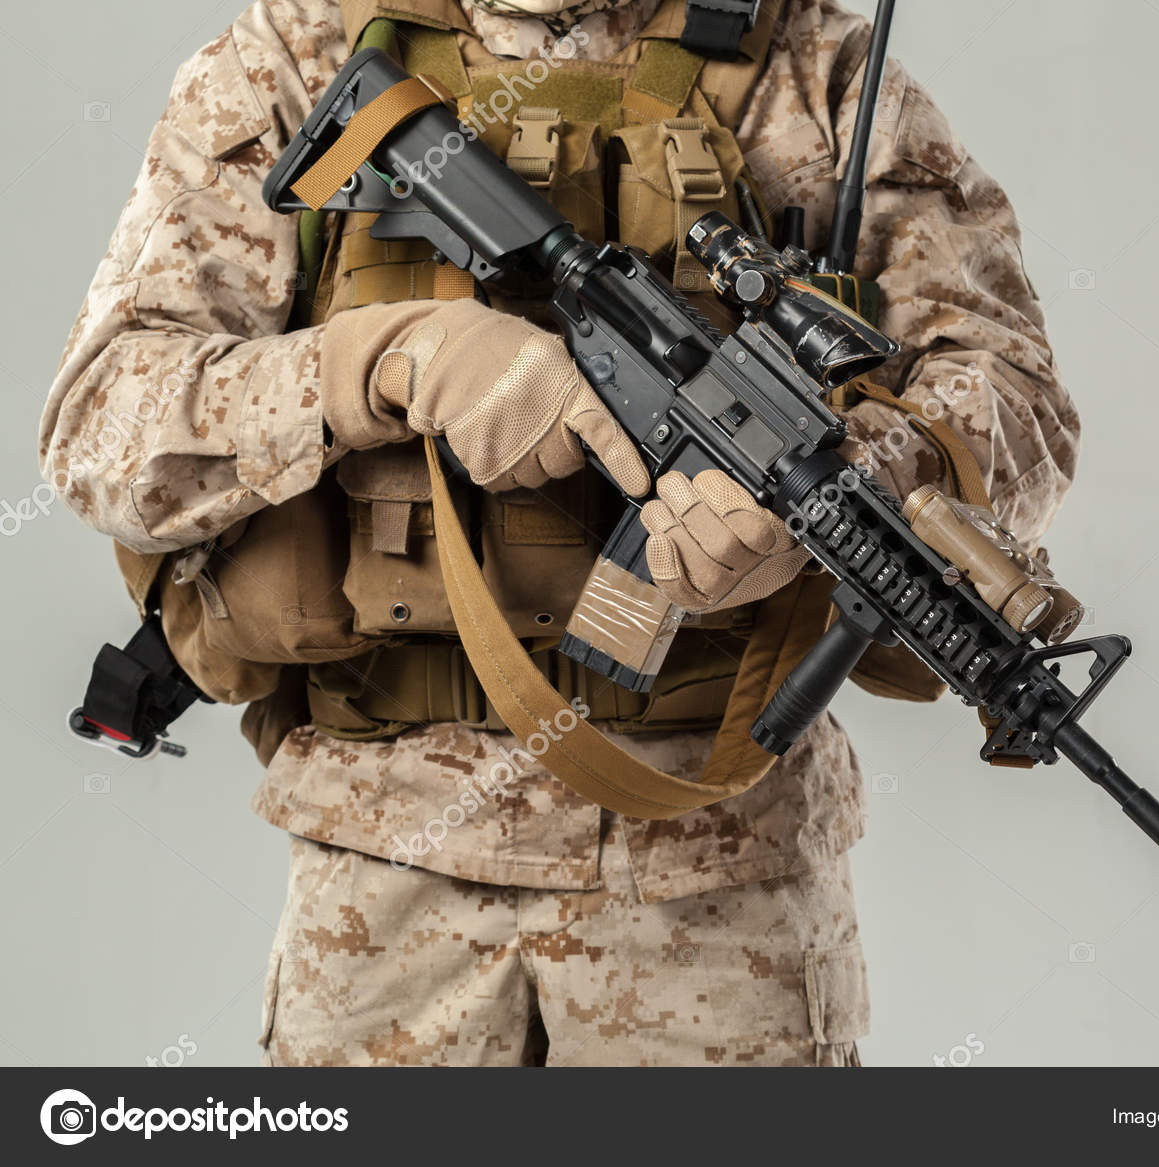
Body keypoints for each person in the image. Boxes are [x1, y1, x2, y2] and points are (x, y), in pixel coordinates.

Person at [40, 0, 1079, 1066]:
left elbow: (1018, 401)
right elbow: (101, 434)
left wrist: (828, 492)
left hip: (720, 897)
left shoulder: (813, 69)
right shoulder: (305, 53)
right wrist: (391, 363)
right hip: (385, 884)